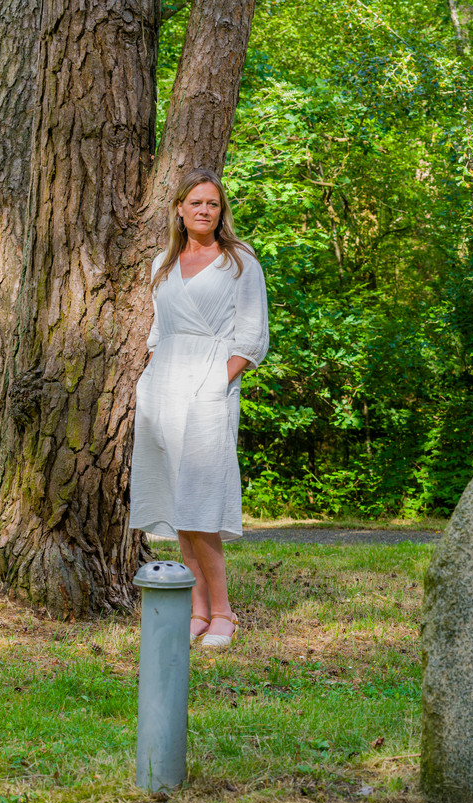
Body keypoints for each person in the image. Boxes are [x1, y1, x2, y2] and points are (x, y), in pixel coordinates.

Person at [129, 169, 269, 648]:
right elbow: (156, 332)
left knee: (202, 500)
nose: (204, 210)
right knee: (176, 500)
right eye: (196, 203)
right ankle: (197, 609)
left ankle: (225, 613)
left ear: (220, 210)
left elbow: (252, 337)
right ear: (180, 210)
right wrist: (152, 378)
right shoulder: (162, 263)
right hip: (163, 386)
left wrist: (217, 383)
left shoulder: (239, 260)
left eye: (213, 203)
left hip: (211, 385)